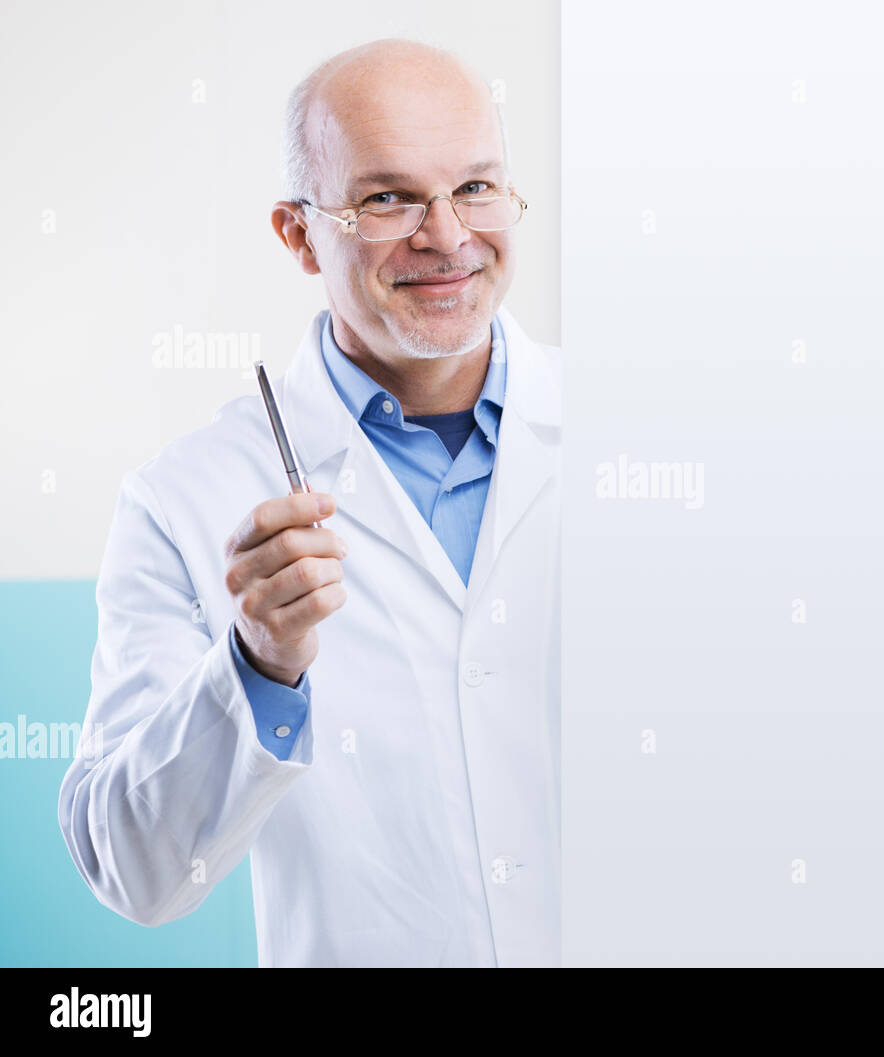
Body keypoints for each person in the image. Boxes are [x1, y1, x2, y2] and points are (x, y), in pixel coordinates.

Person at [58, 38, 560, 966]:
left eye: (478, 188)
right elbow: (135, 870)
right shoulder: (185, 501)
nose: (448, 236)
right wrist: (257, 664)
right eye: (388, 198)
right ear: (297, 235)